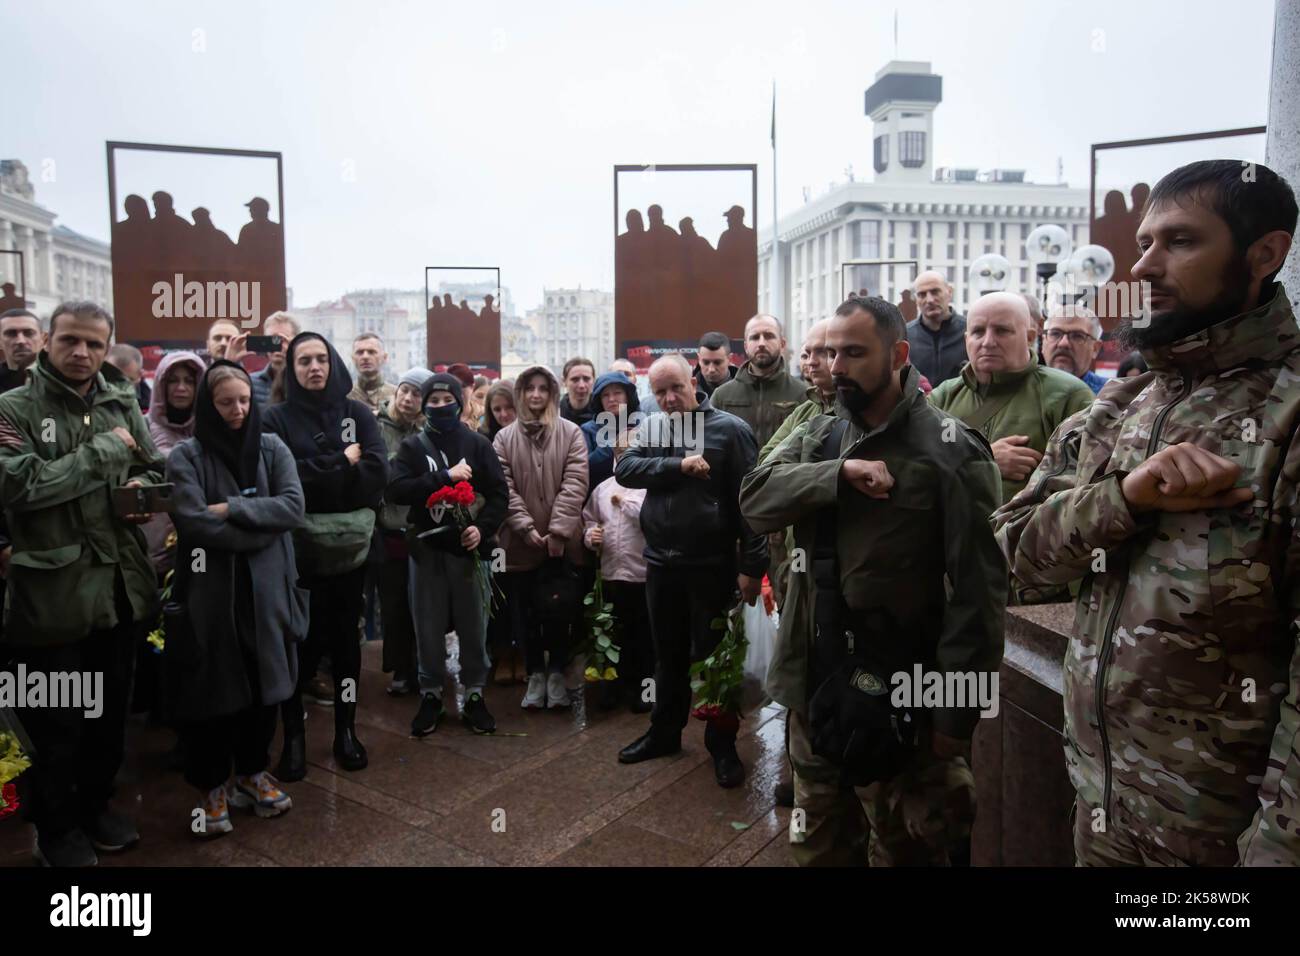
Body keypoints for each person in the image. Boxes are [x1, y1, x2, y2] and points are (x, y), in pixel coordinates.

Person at [994, 160, 1300, 866]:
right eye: (1143, 243)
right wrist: (1124, 499)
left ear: (1264, 254)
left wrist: (1276, 849)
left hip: (1227, 838)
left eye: (1180, 242)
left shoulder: (1287, 415)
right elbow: (1003, 558)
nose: (1145, 267)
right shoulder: (1123, 405)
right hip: (1102, 807)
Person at [740, 294, 1006, 866]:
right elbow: (754, 499)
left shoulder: (952, 451)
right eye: (831, 353)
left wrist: (954, 721)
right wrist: (836, 476)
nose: (836, 367)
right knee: (817, 849)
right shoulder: (818, 431)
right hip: (814, 683)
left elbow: (979, 596)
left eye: (854, 353)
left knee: (906, 852)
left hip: (905, 694)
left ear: (898, 354)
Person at [0, 301, 165, 867]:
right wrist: (100, 455)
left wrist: (140, 493)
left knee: (108, 716)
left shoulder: (121, 400)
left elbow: (152, 466)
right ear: (47, 341)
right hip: (53, 597)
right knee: (59, 720)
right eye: (70, 340)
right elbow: (20, 488)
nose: (82, 353)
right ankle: (55, 824)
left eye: (95, 344)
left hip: (118, 588)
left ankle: (96, 806)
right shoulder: (11, 409)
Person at [166, 361, 307, 836]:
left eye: (244, 401)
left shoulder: (271, 448)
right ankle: (210, 785)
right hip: (211, 595)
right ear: (209, 404)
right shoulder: (187, 456)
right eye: (225, 402)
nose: (237, 411)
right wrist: (259, 530)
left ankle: (250, 771)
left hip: (267, 594)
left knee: (266, 685)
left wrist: (236, 509)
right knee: (213, 691)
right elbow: (192, 521)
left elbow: (293, 506)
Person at [615, 354, 767, 788]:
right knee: (669, 656)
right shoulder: (654, 427)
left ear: (693, 380)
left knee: (718, 660)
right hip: (661, 562)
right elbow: (624, 469)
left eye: (675, 389)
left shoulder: (729, 431)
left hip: (712, 565)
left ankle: (723, 745)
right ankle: (664, 732)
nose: (667, 399)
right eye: (659, 392)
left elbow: (750, 505)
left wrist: (753, 567)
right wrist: (675, 466)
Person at [262, 333, 389, 778]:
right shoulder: (274, 419)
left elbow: (376, 474)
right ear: (291, 369)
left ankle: (346, 730)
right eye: (303, 361)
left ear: (333, 364)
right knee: (298, 647)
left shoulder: (357, 413)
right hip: (297, 555)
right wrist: (339, 463)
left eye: (321, 359)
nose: (314, 367)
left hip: (350, 557)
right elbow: (279, 482)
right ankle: (293, 739)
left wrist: (316, 474)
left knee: (345, 647)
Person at [388, 373, 508, 736]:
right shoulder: (412, 447)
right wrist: (443, 477)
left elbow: (499, 494)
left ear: (460, 401)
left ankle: (474, 692)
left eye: (446, 399)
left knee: (474, 624)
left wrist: (482, 529)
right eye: (433, 401)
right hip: (426, 550)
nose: (440, 406)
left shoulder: (478, 444)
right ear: (424, 406)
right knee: (427, 624)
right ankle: (430, 693)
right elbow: (396, 490)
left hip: (468, 552)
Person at [928, 291, 1095, 504]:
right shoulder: (942, 397)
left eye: (1002, 331)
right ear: (966, 339)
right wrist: (984, 461)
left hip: (1027, 535)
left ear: (1030, 337)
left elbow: (1089, 486)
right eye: (978, 332)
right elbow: (913, 469)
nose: (988, 342)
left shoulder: (1068, 395)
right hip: (952, 535)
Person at [492, 365, 589, 710]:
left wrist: (558, 531)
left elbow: (576, 482)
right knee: (524, 611)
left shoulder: (572, 433)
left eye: (542, 388)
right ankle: (535, 673)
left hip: (562, 544)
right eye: (529, 388)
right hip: (520, 544)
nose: (535, 395)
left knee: (560, 610)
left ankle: (557, 674)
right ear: (520, 393)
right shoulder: (503, 438)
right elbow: (503, 487)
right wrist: (526, 527)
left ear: (551, 392)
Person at [582, 432, 652, 713]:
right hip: (612, 574)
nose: (623, 461)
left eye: (630, 456)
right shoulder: (602, 489)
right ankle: (615, 685)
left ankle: (645, 688)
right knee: (614, 632)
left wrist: (624, 502)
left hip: (643, 576)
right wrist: (591, 536)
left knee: (644, 635)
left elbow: (651, 519)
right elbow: (589, 520)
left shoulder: (649, 488)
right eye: (619, 456)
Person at [375, 366, 432, 696]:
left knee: (422, 603)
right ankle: (400, 667)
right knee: (393, 604)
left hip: (420, 525)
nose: (409, 398)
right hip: (389, 526)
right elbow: (375, 466)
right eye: (405, 391)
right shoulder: (375, 425)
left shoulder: (428, 429)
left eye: (417, 394)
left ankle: (424, 664)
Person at [141, 350, 206, 577]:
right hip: (156, 541)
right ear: (161, 385)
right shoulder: (142, 427)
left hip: (203, 535)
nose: (181, 388)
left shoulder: (211, 430)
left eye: (189, 381)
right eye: (173, 381)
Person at [710, 314, 807, 450]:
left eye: (769, 336)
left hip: (782, 471)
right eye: (755, 337)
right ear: (746, 346)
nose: (761, 343)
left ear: (782, 344)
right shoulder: (722, 396)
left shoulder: (802, 394)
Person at [225, 311, 300, 410]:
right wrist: (228, 364)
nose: (277, 345)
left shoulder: (305, 381)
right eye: (271, 340)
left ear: (296, 342)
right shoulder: (250, 382)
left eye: (282, 339)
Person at [580, 371, 640, 493]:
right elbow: (583, 468)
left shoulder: (642, 425)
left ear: (628, 395)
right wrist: (613, 444)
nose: (611, 399)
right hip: (600, 501)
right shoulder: (588, 430)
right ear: (599, 400)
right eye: (605, 395)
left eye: (617, 393)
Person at [906, 270, 967, 387]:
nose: (929, 300)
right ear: (916, 299)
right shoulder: (905, 336)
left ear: (949, 292)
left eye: (935, 292)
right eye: (922, 294)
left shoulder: (970, 331)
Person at [1043, 304, 1107, 394]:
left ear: (1095, 348)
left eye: (1077, 336)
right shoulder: (1023, 390)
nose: (1063, 343)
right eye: (1055, 334)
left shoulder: (1113, 397)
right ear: (1043, 342)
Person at [347, 333, 395, 414]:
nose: (365, 356)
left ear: (384, 357)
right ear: (353, 358)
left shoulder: (396, 396)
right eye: (360, 352)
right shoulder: (344, 396)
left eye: (371, 352)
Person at [0, 308, 44, 392]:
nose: (21, 341)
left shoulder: (61, 379)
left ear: (43, 339)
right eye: (11, 334)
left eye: (29, 333)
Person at [106, 343, 150, 412]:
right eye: (114, 380)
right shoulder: (88, 400)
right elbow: (86, 420)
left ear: (140, 375)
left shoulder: (150, 408)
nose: (120, 388)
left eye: (128, 380)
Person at [693, 330, 736, 398]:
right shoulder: (688, 390)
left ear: (729, 359)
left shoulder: (746, 387)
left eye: (717, 362)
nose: (711, 369)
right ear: (699, 359)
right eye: (706, 362)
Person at [559, 356, 596, 426]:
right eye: (575, 379)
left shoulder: (604, 414)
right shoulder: (554, 415)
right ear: (564, 381)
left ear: (594, 380)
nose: (581, 385)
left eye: (586, 379)